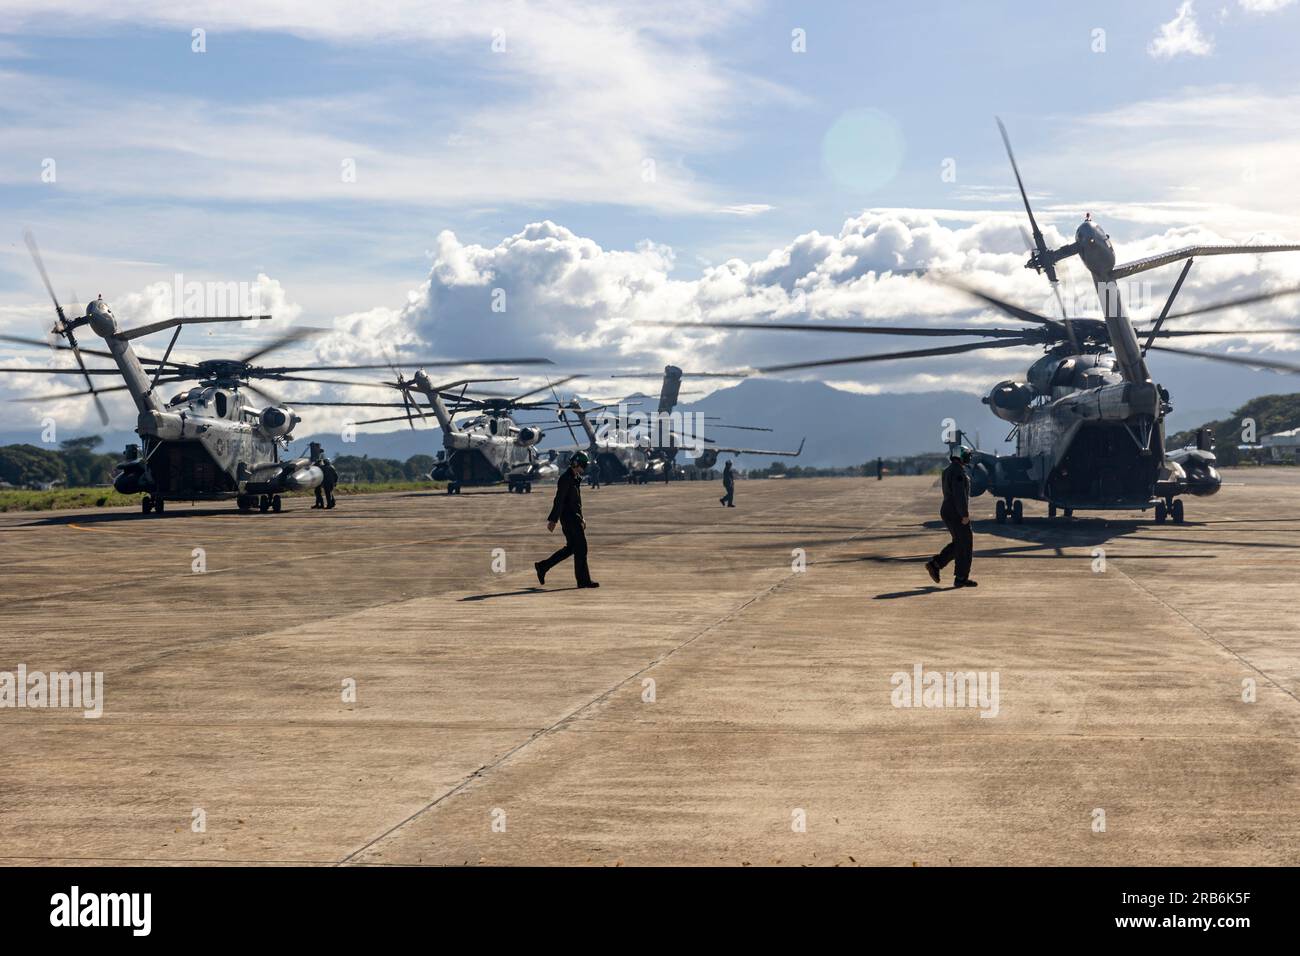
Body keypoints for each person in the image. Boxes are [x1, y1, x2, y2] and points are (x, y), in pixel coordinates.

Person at [535, 451, 598, 589]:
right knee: (581, 548)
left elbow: (576, 502)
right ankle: (583, 581)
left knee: (571, 548)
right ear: (576, 464)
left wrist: (582, 518)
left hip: (575, 519)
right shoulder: (566, 479)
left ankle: (542, 566)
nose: (584, 468)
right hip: (569, 520)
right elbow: (559, 500)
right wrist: (553, 520)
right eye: (582, 465)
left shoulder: (575, 478)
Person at [925, 447, 976, 588]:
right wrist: (964, 514)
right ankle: (961, 578)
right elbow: (959, 495)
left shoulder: (949, 470)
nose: (969, 458)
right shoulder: (958, 472)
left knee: (959, 542)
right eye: (967, 455)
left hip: (948, 510)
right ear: (960, 456)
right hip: (956, 511)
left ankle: (936, 564)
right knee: (965, 544)